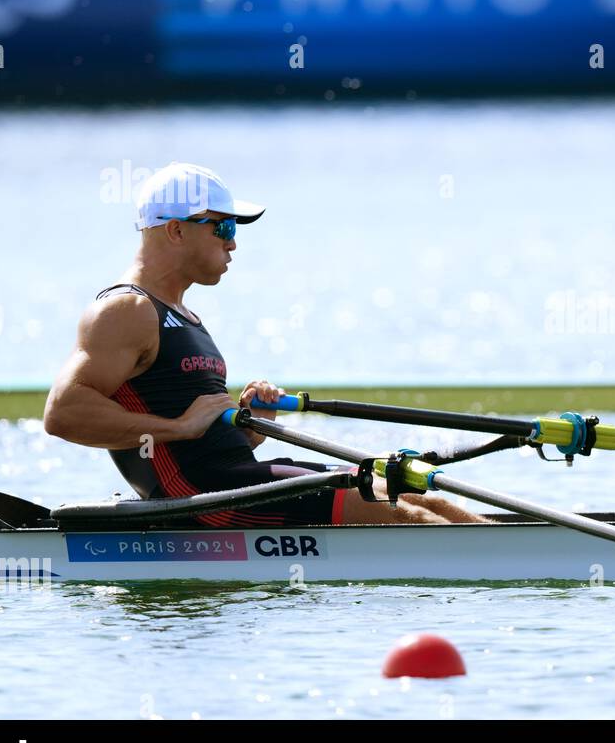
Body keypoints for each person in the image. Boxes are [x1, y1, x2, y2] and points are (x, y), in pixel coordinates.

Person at [43, 162, 486, 526]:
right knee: (407, 518)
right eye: (223, 227)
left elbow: (198, 438)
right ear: (176, 231)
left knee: (412, 495)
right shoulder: (126, 311)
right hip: (203, 499)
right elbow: (64, 413)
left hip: (232, 476)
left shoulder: (185, 316)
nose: (233, 242)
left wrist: (248, 430)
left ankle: (509, 549)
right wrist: (179, 428)